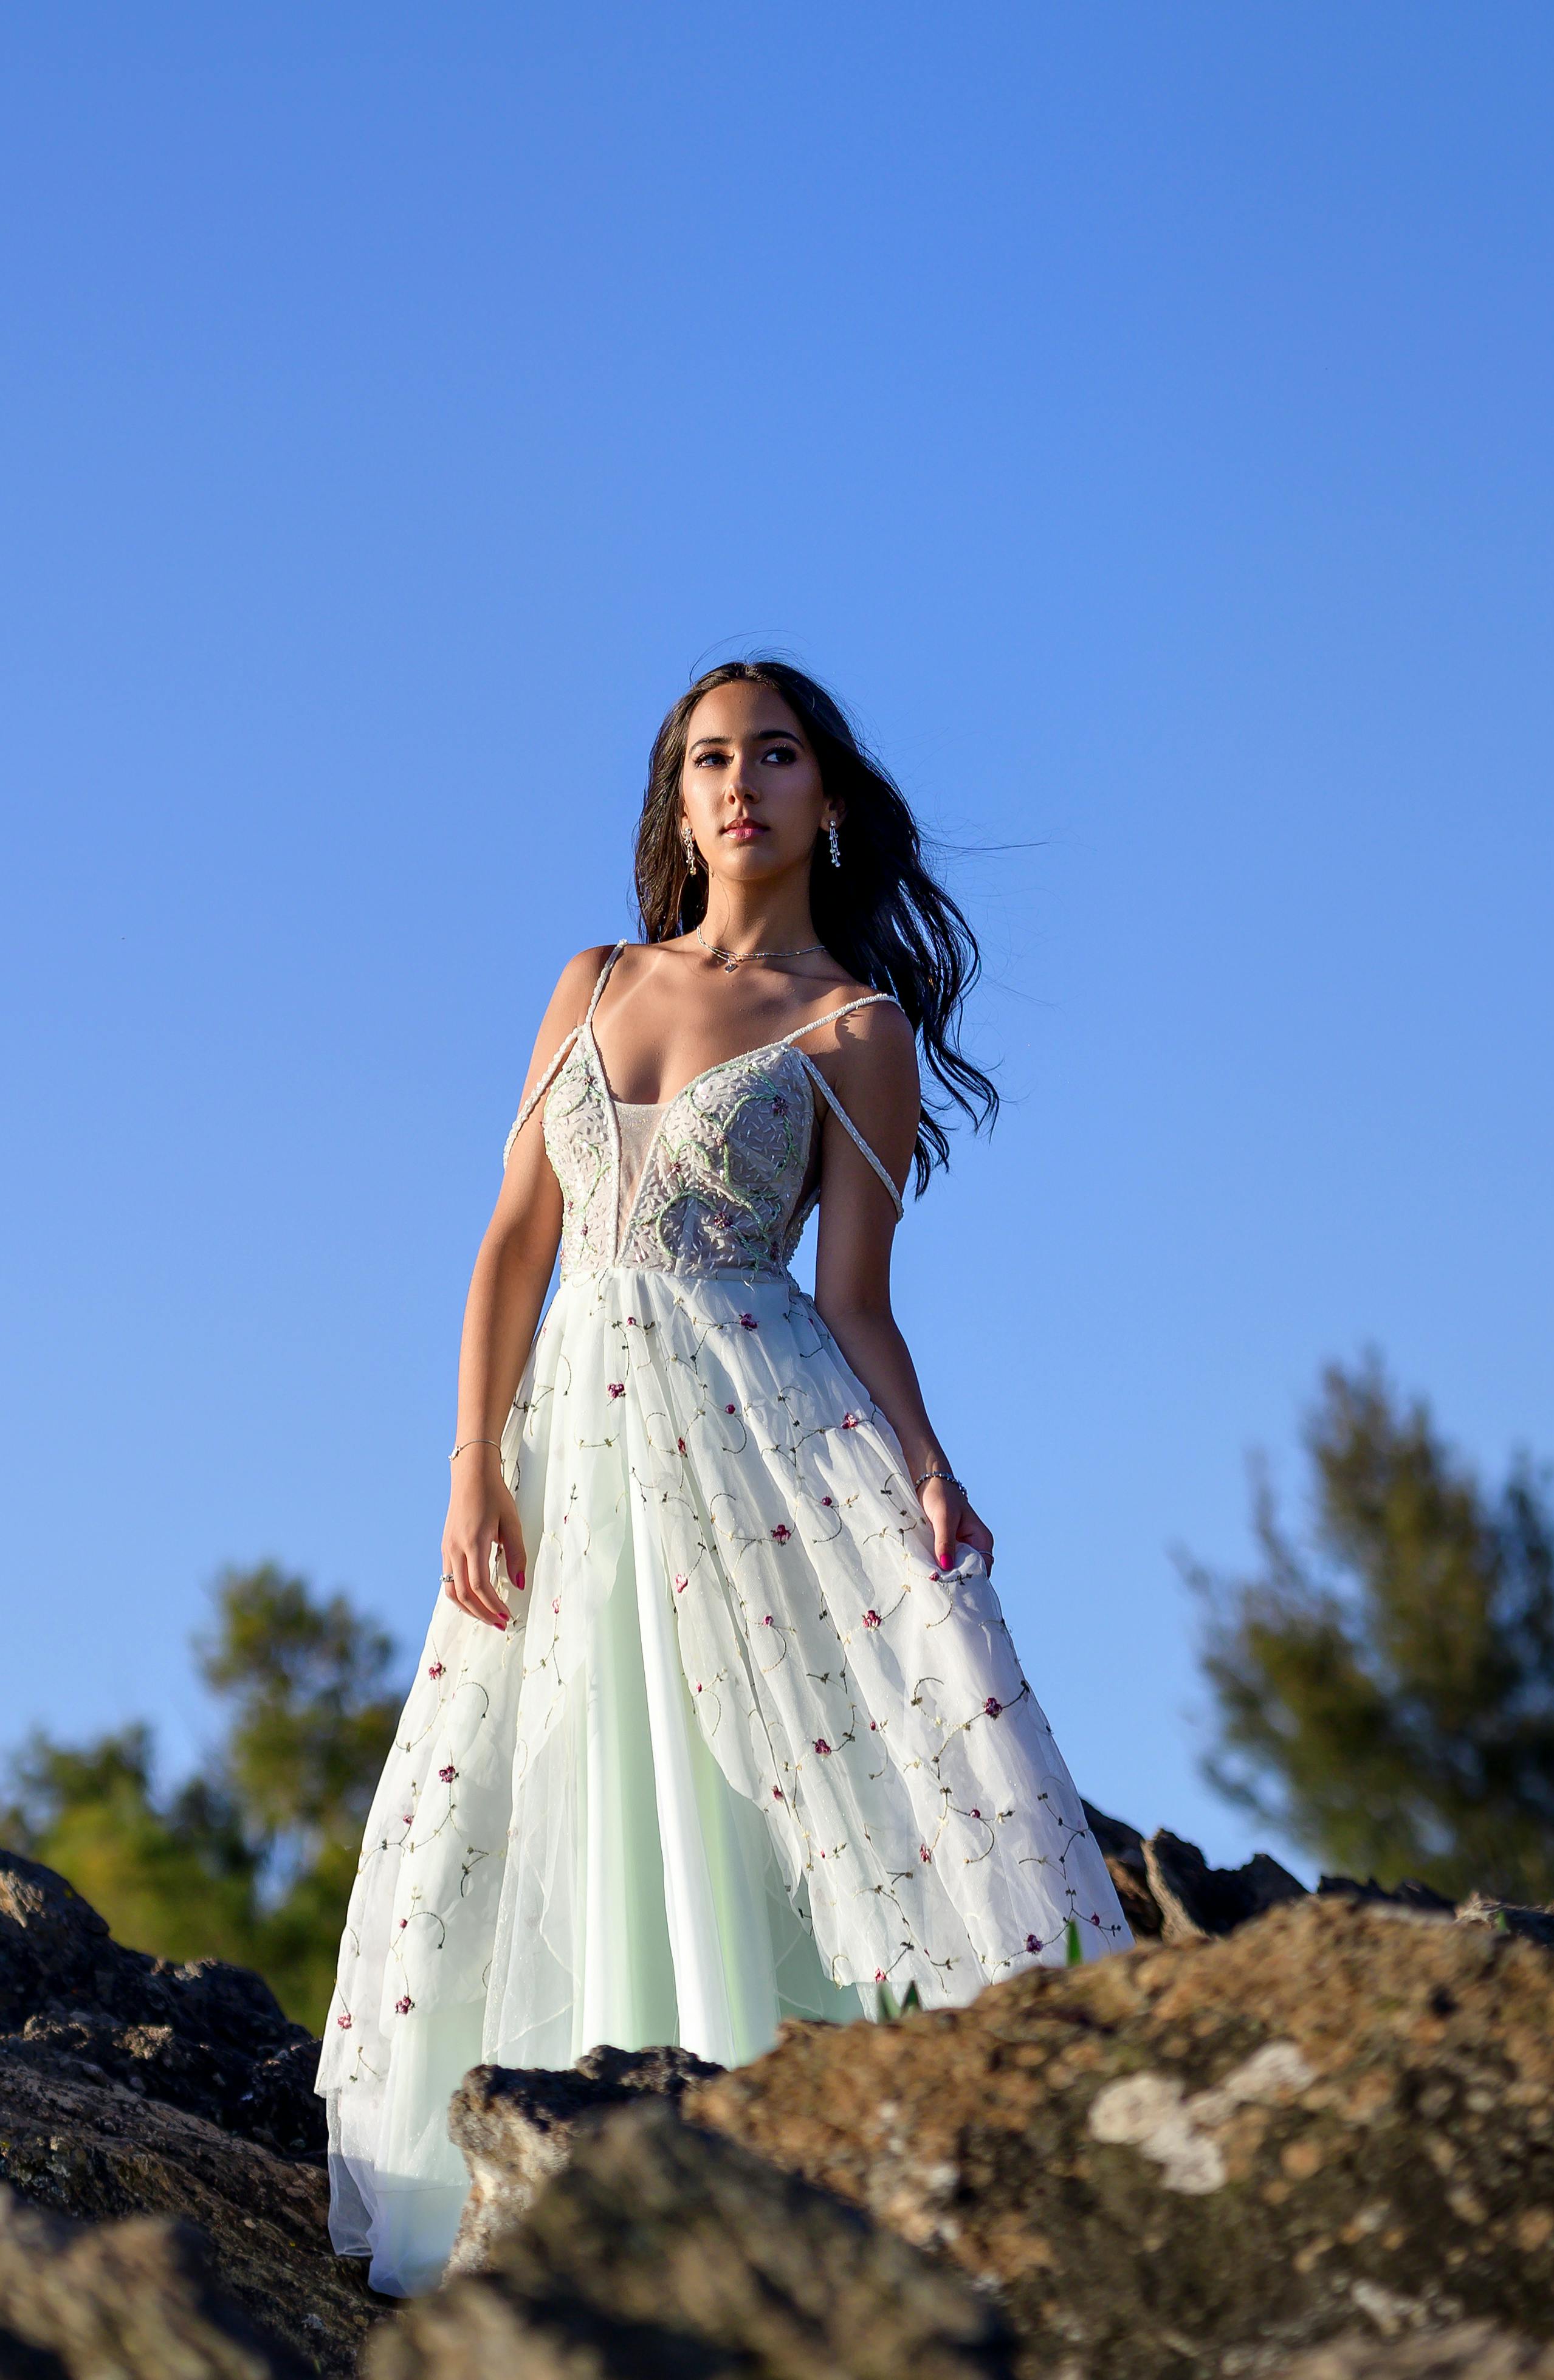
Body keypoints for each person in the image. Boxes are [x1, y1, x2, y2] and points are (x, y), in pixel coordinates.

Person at [315, 658, 1128, 2293]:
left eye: (773, 755)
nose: (738, 782)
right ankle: (557, 2199)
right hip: (572, 1442)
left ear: (827, 798)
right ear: (677, 801)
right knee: (560, 1764)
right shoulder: (592, 979)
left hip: (752, 1438)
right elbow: (510, 1247)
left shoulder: (855, 1027)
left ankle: (762, 2188)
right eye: (707, 759)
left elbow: (857, 1303)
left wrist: (927, 1470)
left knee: (755, 1778)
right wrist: (472, 1470)